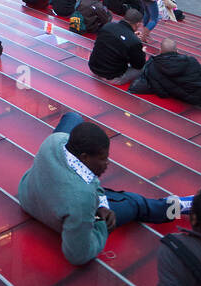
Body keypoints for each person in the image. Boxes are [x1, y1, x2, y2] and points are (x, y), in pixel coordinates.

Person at [18, 111, 191, 266]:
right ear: (84, 158)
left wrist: (102, 204)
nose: (107, 163)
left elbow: (91, 182)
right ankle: (178, 207)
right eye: (103, 159)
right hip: (61, 206)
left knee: (73, 118)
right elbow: (77, 255)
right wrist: (102, 225)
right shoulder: (81, 197)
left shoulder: (54, 141)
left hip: (29, 193)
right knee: (136, 204)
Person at [88, 9, 147, 84]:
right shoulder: (134, 42)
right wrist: (142, 52)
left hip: (94, 67)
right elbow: (138, 65)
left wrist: (132, 36)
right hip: (112, 76)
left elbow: (117, 38)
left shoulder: (107, 26)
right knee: (145, 67)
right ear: (138, 24)